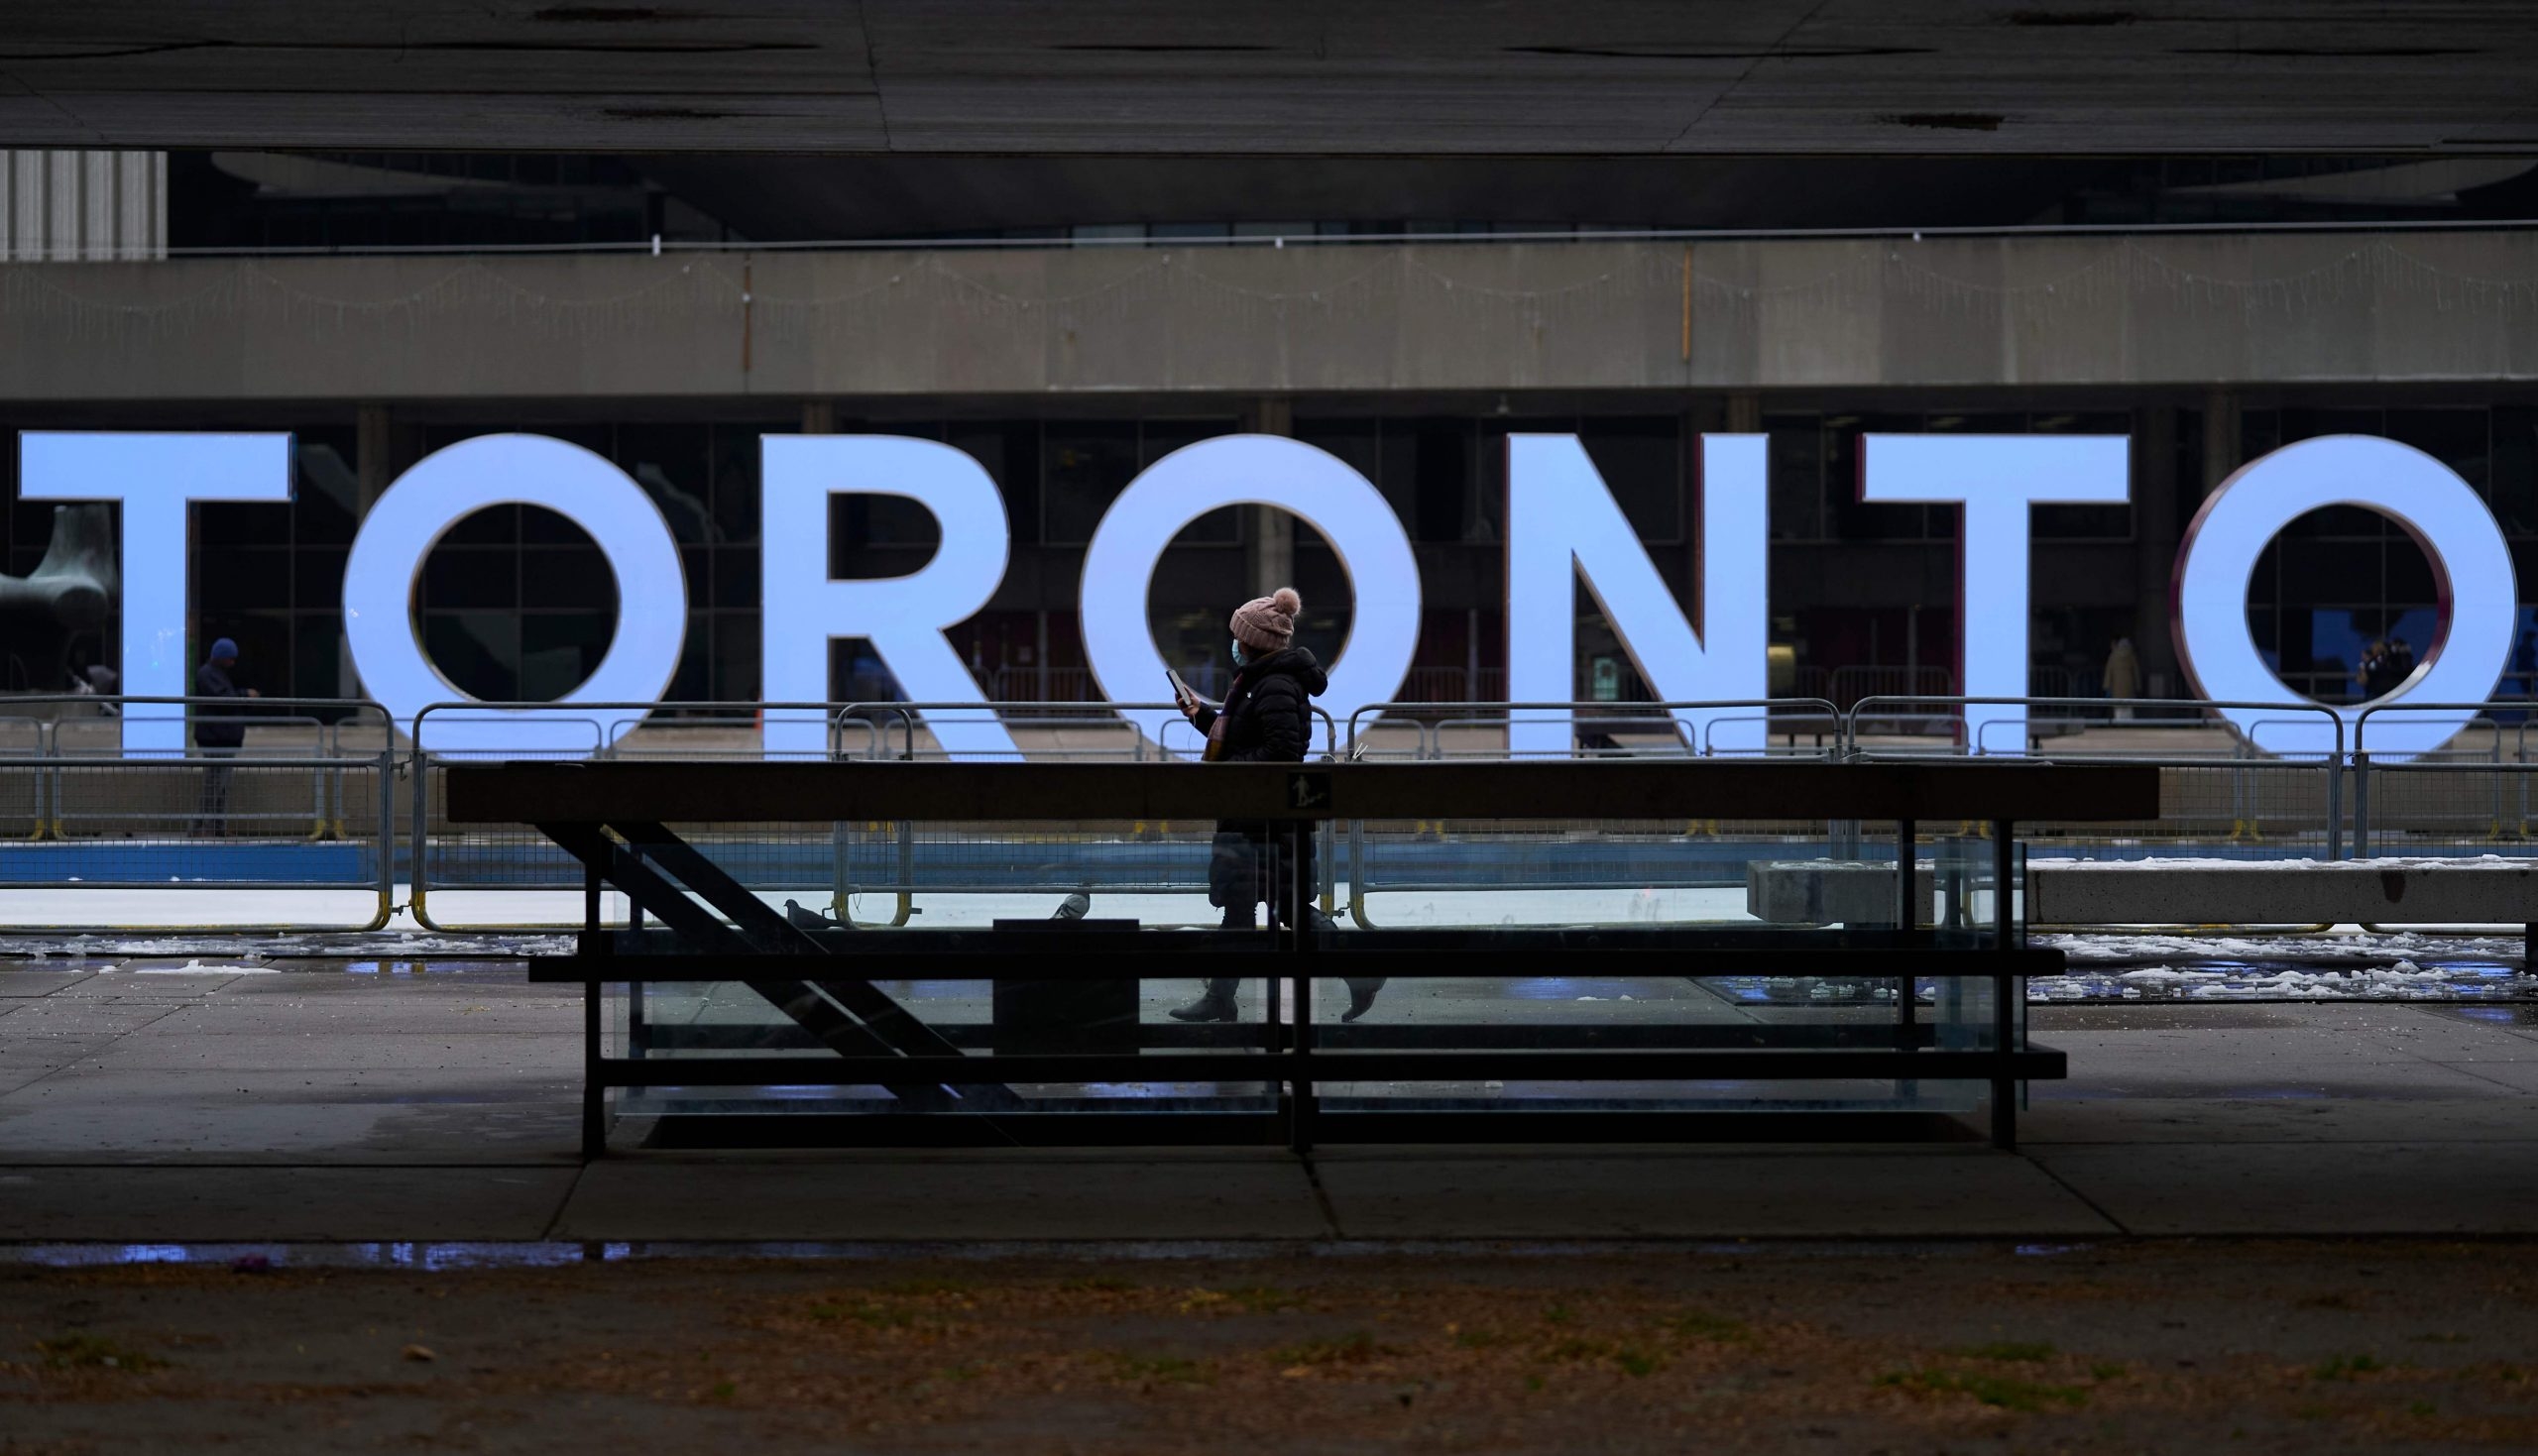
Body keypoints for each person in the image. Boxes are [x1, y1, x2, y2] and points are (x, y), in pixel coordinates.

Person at [1166, 587, 1384, 1025]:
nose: (1232, 644)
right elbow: (1248, 736)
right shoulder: (1260, 683)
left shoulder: (1275, 685)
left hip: (1265, 819)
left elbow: (1280, 755)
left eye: (1236, 637)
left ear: (1251, 642)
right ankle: (1221, 998)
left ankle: (1359, 969)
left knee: (1281, 908)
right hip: (1256, 817)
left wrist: (1225, 768)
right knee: (1243, 908)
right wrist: (1201, 715)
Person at [191, 637, 256, 837]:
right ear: (221, 657)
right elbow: (224, 700)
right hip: (216, 739)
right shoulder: (208, 674)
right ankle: (200, 827)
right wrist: (245, 695)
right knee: (214, 785)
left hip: (223, 738)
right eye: (230, 659)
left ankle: (216, 827)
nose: (232, 663)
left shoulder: (215, 673)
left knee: (222, 786)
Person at [2101, 636, 2140, 722]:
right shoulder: (2131, 656)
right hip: (2129, 685)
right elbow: (2136, 672)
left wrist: (2106, 685)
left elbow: (2109, 671)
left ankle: (2119, 723)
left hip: (2116, 685)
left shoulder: (2113, 656)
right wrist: (2138, 685)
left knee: (2118, 705)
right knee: (2128, 705)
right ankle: (2129, 723)